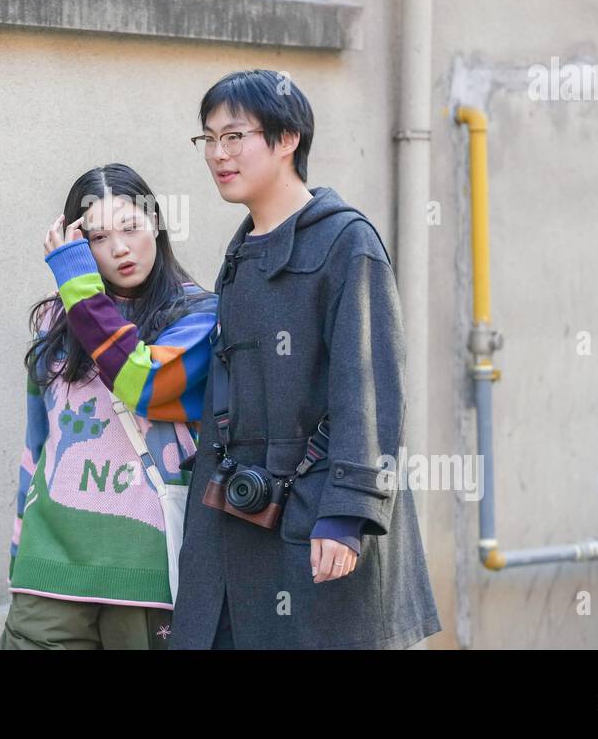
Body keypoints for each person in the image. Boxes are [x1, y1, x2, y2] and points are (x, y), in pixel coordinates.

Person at [170, 69, 442, 649]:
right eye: (209, 139)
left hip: (317, 525)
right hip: (234, 520)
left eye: (234, 136)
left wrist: (348, 512)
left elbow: (370, 387)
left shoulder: (347, 242)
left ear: (287, 138)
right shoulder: (242, 250)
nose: (219, 154)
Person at [0, 164, 218, 649]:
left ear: (157, 225)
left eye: (131, 228)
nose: (118, 248)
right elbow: (38, 445)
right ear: (76, 244)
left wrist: (77, 285)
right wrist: (20, 552)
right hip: (49, 568)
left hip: (146, 570)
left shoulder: (200, 316)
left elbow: (145, 382)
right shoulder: (54, 321)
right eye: (96, 237)